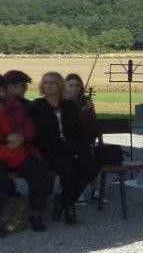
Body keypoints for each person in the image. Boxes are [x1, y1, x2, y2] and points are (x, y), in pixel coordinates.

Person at [28, 72, 99, 225]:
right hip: (50, 149)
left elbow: (80, 131)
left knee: (91, 167)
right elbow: (36, 136)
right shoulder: (36, 106)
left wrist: (76, 144)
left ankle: (64, 200)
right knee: (68, 166)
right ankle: (70, 207)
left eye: (52, 83)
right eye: (45, 82)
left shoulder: (69, 105)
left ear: (60, 85)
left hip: (72, 146)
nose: (48, 86)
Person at [0, 73, 50, 234]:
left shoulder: (15, 106)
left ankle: (35, 212)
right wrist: (6, 138)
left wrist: (21, 135)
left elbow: (28, 125)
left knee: (39, 173)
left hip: (19, 151)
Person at [66, 73, 99, 203]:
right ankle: (77, 190)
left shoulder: (86, 102)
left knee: (91, 157)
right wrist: (80, 113)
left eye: (78, 86)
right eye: (71, 86)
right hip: (68, 141)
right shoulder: (62, 102)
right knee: (77, 159)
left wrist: (89, 112)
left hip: (84, 140)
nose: (74, 89)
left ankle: (95, 191)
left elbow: (92, 124)